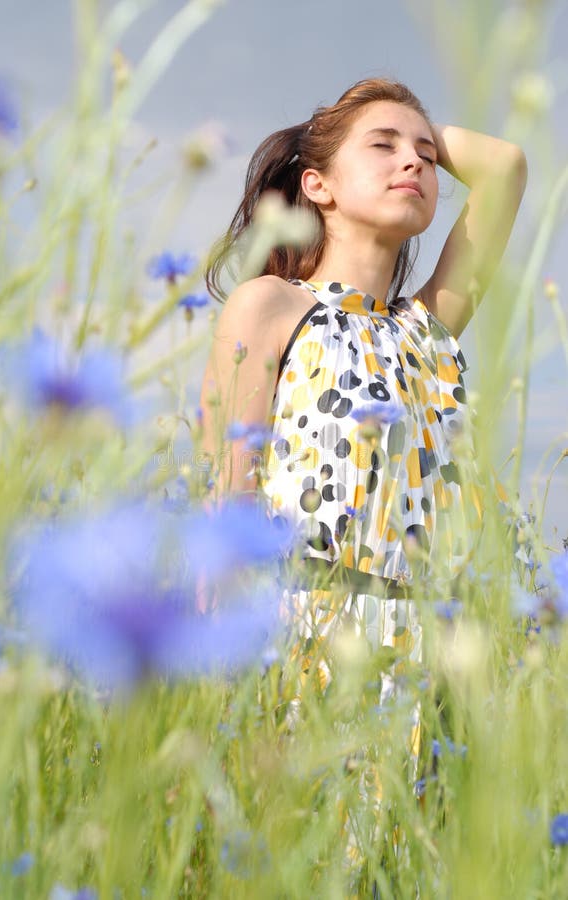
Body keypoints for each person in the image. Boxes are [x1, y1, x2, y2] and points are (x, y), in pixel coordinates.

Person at [199, 76, 526, 812]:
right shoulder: (274, 305)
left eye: (426, 157)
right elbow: (228, 489)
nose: (412, 163)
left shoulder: (428, 325)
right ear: (317, 185)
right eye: (381, 148)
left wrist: (399, 138)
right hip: (307, 627)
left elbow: (505, 167)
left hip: (435, 650)